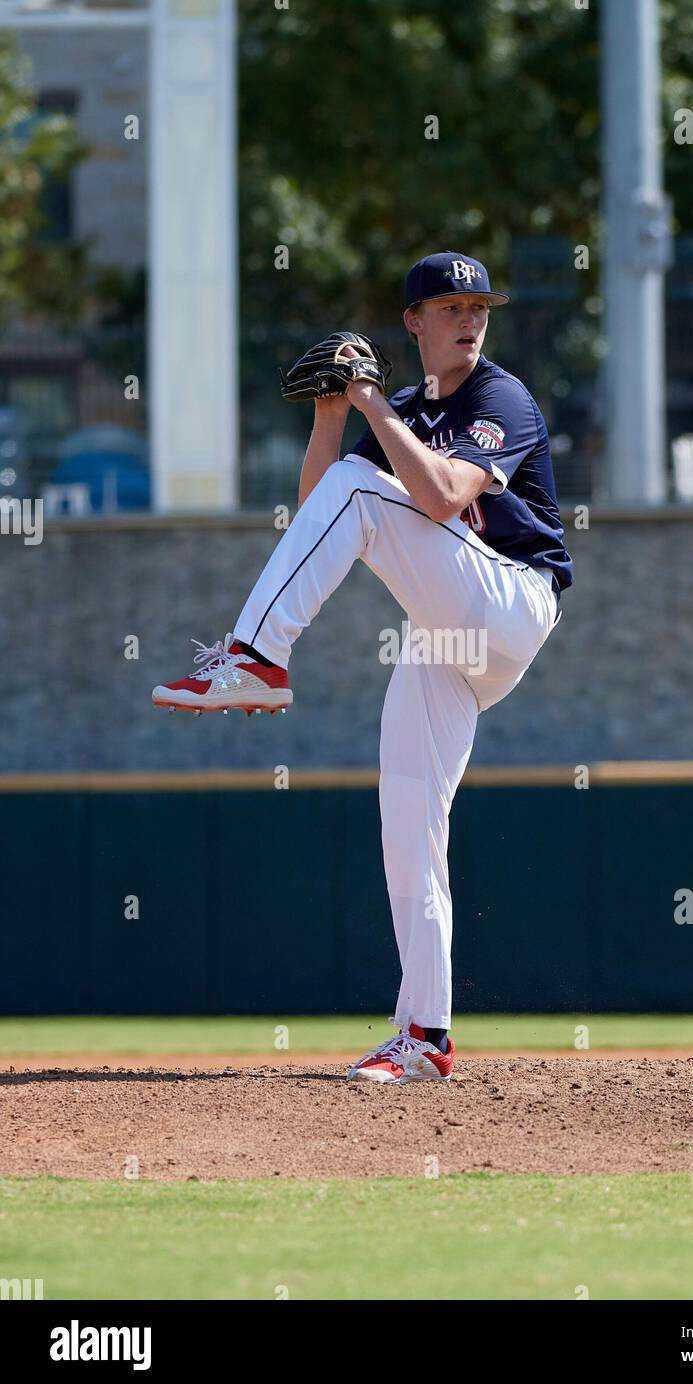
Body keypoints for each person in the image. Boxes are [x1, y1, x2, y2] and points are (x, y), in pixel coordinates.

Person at [153, 251, 573, 1084]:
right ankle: (424, 1035)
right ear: (413, 321)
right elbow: (325, 510)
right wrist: (329, 415)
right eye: (449, 304)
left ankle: (256, 658)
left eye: (478, 303)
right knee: (409, 824)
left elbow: (446, 496)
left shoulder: (502, 397)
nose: (469, 316)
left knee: (361, 483)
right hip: (445, 637)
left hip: (513, 600)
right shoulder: (406, 408)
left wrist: (373, 404)